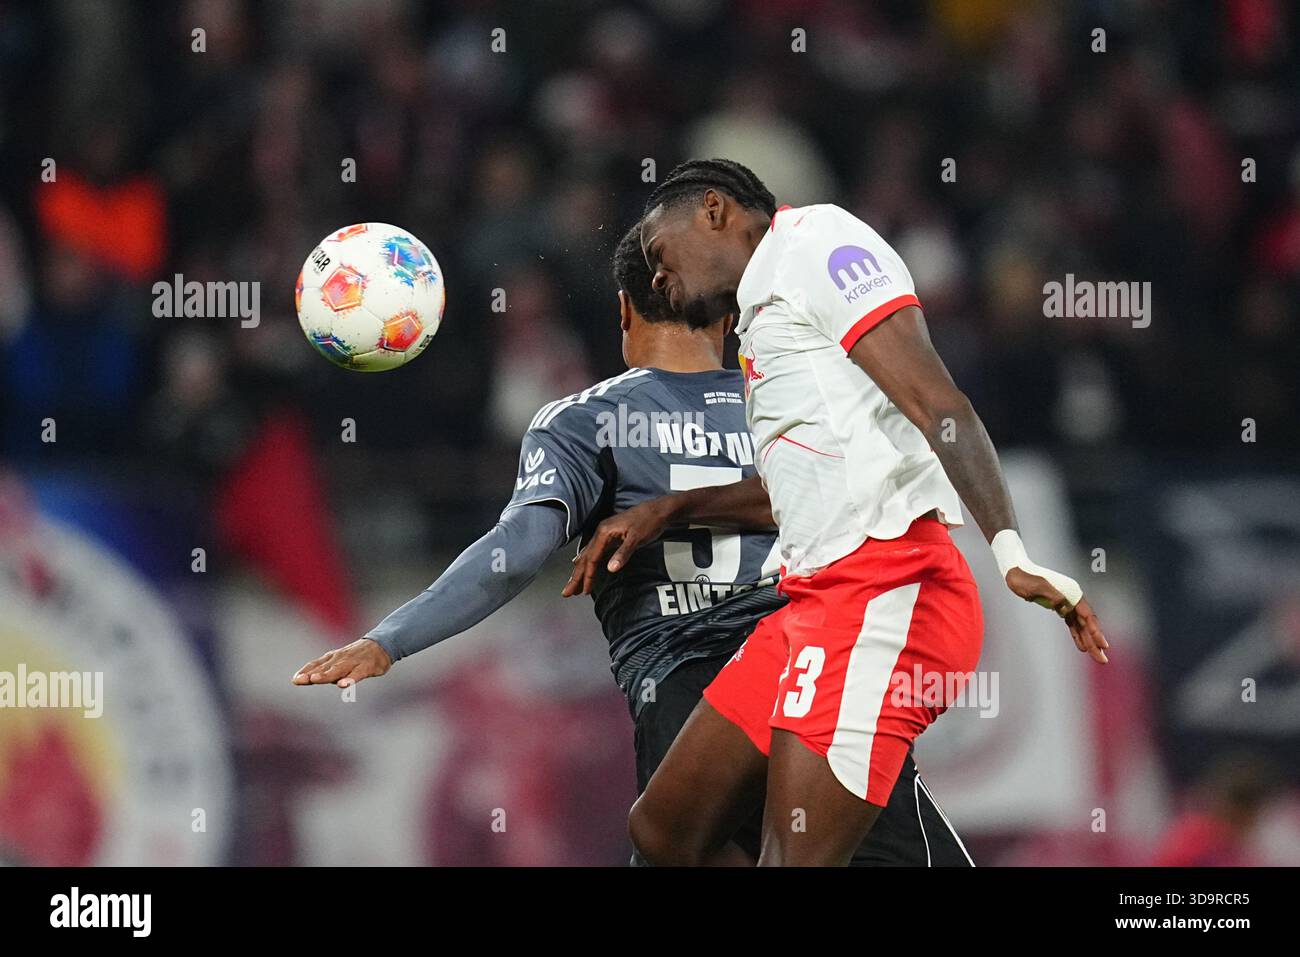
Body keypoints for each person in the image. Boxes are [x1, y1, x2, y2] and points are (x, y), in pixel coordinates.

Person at [292, 222, 972, 865]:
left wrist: (391, 637)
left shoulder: (585, 421)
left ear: (624, 310)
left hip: (684, 704)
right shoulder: (788, 403)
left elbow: (516, 551)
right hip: (815, 673)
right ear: (729, 317)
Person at [566, 159, 1108, 866]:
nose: (658, 278)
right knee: (664, 830)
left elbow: (938, 404)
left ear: (713, 210)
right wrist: (671, 509)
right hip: (813, 604)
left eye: (659, 255)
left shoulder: (817, 242)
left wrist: (1010, 549)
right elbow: (797, 490)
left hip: (887, 594)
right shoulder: (763, 317)